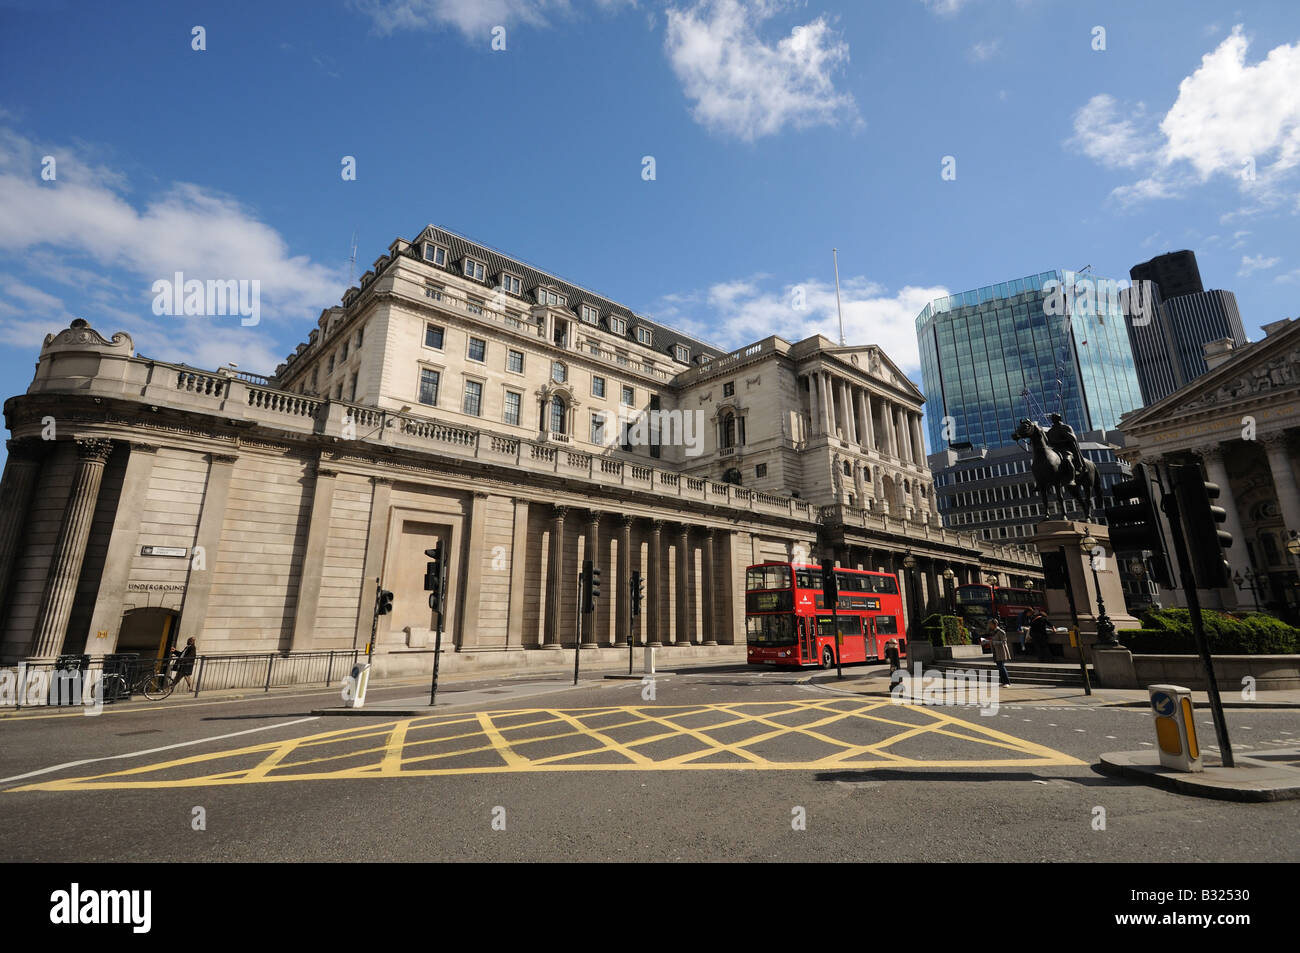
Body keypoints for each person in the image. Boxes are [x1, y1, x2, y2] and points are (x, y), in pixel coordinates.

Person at [1046, 413, 1081, 486]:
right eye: (1053, 419)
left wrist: (1064, 434)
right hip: (1055, 451)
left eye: (1055, 419)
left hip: (1066, 450)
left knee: (1067, 460)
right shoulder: (1050, 431)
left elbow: (1073, 438)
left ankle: (1072, 479)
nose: (1054, 420)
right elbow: (1048, 443)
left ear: (1059, 419)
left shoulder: (1066, 427)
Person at [982, 618, 1011, 686]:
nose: (989, 626)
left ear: (995, 624)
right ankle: (1003, 682)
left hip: (1001, 651)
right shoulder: (993, 632)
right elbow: (993, 641)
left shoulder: (1001, 632)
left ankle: (1007, 682)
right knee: (999, 667)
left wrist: (993, 642)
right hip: (996, 651)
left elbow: (1004, 642)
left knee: (1001, 666)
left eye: (990, 624)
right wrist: (987, 641)